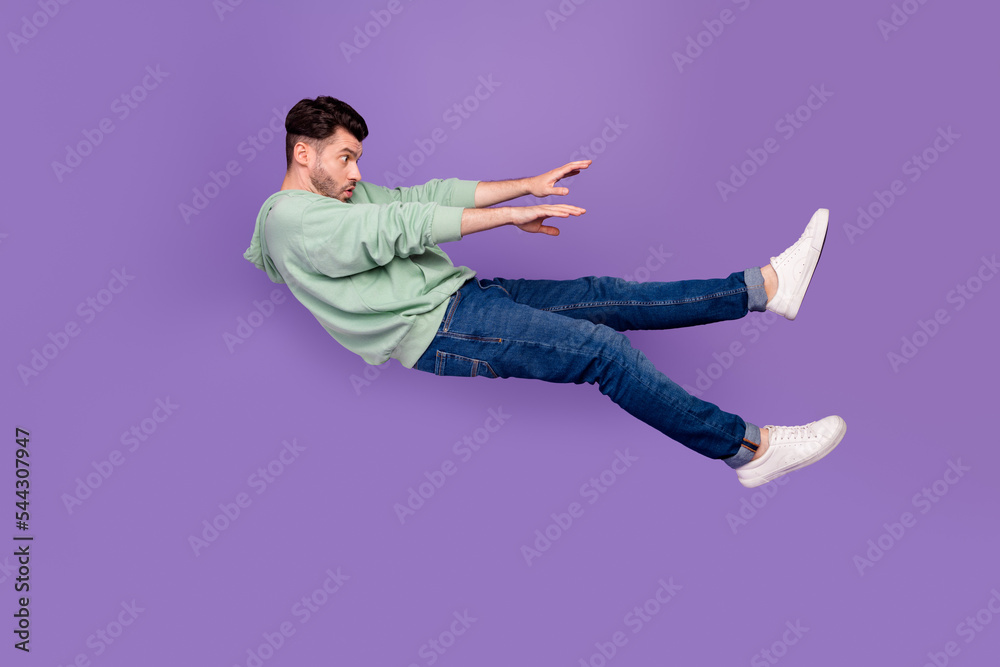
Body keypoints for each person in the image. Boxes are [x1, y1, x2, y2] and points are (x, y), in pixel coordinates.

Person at [243, 96, 846, 488]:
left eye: (357, 160)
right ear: (303, 153)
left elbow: (416, 199)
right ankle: (750, 448)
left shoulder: (335, 198)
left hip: (465, 296)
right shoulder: (290, 220)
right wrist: (510, 218)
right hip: (441, 327)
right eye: (346, 158)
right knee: (604, 352)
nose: (355, 173)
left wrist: (523, 186)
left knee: (605, 295)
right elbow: (398, 228)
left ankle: (765, 288)